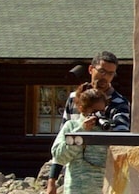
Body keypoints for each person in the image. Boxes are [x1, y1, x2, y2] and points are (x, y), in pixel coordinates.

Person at [43, 52, 130, 194]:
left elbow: (121, 141)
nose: (105, 77)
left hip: (106, 181)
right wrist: (52, 180)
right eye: (102, 71)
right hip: (76, 179)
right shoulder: (73, 99)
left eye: (110, 74)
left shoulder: (119, 103)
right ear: (91, 69)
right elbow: (63, 141)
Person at [51, 85, 110, 194]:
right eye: (95, 111)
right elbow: (59, 156)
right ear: (82, 108)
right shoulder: (71, 127)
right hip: (76, 189)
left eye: (102, 111)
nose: (98, 115)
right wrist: (81, 132)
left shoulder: (108, 130)